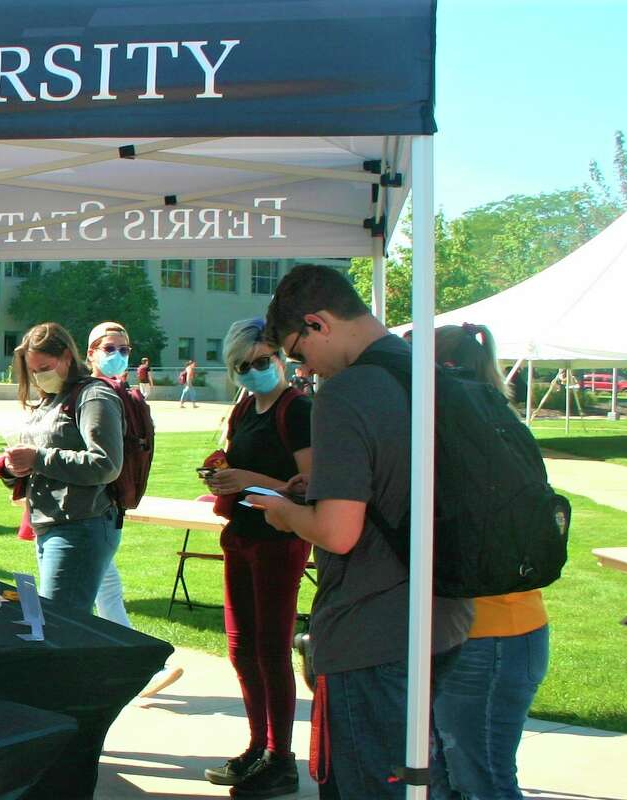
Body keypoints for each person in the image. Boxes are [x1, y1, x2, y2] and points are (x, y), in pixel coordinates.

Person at [256, 264, 473, 799]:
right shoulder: (424, 370)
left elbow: (337, 533)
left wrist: (284, 513)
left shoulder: (347, 391)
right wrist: (325, 485)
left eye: (299, 353)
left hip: (371, 631)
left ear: (317, 323)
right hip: (443, 619)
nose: (306, 369)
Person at [428, 323, 550, 800]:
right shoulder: (499, 425)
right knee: (446, 778)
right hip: (503, 630)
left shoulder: (459, 436)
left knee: (483, 782)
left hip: (487, 635)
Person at [200, 318, 313, 797]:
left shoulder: (297, 409)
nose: (252, 372)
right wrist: (222, 475)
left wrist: (248, 478)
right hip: (243, 535)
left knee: (271, 649)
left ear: (281, 358)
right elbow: (238, 463)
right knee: (242, 648)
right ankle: (259, 746)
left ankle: (280, 758)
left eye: (262, 361)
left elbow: (309, 485)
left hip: (279, 539)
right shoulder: (246, 406)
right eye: (242, 367)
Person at [83, 322, 184, 697]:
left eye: (124, 350)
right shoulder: (90, 394)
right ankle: (137, 670)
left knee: (103, 588)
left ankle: (132, 669)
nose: (118, 356)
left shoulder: (119, 394)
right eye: (109, 348)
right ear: (91, 352)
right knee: (91, 593)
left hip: (105, 509)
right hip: (84, 513)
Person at [2, 322, 124, 615]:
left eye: (44, 367)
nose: (38, 376)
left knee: (60, 623)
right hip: (53, 523)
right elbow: (40, 460)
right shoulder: (53, 399)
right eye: (33, 371)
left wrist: (37, 458)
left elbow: (106, 464)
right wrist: (13, 467)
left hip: (81, 524)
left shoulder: (94, 396)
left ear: (67, 356)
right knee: (61, 622)